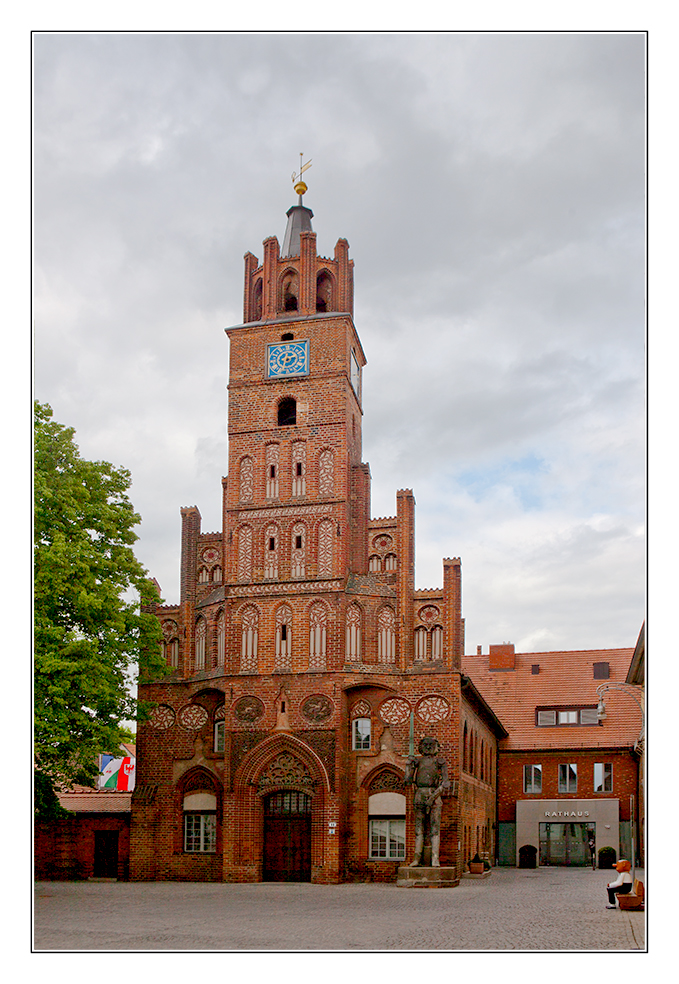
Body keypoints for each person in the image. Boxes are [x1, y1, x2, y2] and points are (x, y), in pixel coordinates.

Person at [404, 736, 450, 867]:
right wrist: (409, 766)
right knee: (419, 830)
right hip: (420, 794)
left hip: (434, 795)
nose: (428, 747)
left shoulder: (439, 762)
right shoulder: (417, 762)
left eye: (431, 744)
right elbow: (407, 780)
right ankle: (417, 858)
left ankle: (435, 858)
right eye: (426, 744)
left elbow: (445, 783)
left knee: (434, 830)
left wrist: (433, 797)